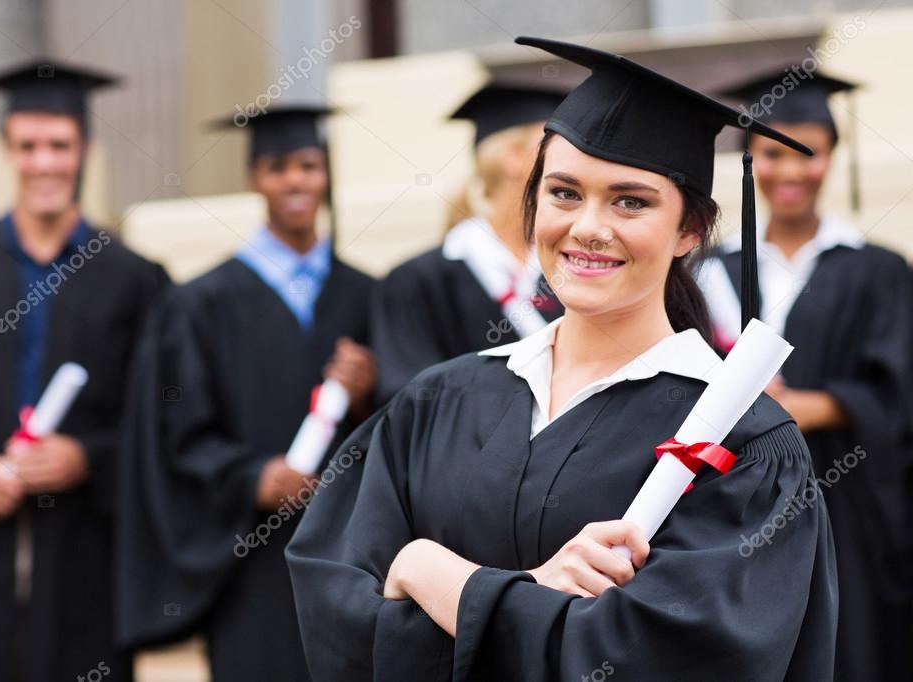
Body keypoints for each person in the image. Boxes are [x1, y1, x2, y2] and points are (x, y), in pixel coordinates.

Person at [287, 37, 838, 681]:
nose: (588, 227)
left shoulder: (744, 444)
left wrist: (432, 573)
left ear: (690, 231)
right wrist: (533, 601)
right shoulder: (436, 402)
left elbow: (665, 658)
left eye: (630, 201)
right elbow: (335, 613)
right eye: (564, 193)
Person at [116, 106, 377, 681]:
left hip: (347, 551)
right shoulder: (200, 304)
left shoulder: (365, 294)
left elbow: (400, 425)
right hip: (248, 556)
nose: (295, 181)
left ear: (325, 174)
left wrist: (366, 392)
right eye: (277, 166)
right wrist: (251, 476)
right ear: (254, 178)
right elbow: (176, 431)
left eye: (308, 165)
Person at [701, 68, 913, 682]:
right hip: (737, 504)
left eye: (809, 154)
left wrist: (792, 406)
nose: (791, 171)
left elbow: (901, 394)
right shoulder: (707, 272)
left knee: (857, 651)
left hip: (847, 503)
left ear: (832, 157)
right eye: (773, 153)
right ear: (750, 157)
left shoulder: (877, 269)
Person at [0, 59, 167, 681]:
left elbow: (162, 419)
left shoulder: (134, 279)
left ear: (84, 148)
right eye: (29, 146)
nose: (45, 163)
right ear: (7, 149)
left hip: (89, 545)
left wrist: (88, 458)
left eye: (59, 146)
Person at [372, 82, 565, 400]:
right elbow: (409, 395)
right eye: (550, 143)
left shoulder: (565, 268)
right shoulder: (419, 280)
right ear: (512, 158)